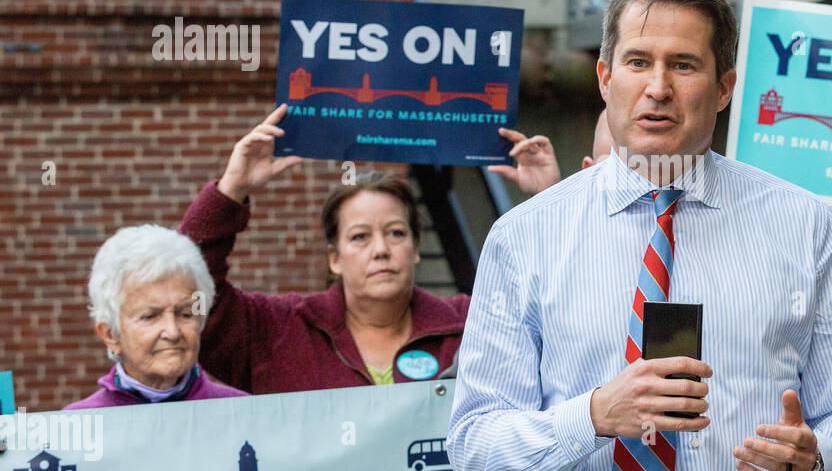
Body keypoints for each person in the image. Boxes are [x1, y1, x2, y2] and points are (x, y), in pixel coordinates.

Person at [448, 0, 832, 471]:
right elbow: (477, 450)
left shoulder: (802, 224)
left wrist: (817, 463)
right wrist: (592, 417)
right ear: (605, 77)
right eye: (637, 61)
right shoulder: (523, 239)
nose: (657, 88)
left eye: (684, 65)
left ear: (725, 89)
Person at [178, 110, 566, 394]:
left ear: (416, 248)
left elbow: (560, 315)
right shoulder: (276, 332)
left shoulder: (473, 323)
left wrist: (552, 200)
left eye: (395, 233)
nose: (380, 250)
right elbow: (190, 293)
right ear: (334, 257)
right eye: (360, 237)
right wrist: (230, 190)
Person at [66, 225, 246, 408]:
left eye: (185, 314)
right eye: (150, 316)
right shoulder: (79, 428)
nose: (173, 332)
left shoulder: (242, 413)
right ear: (110, 334)